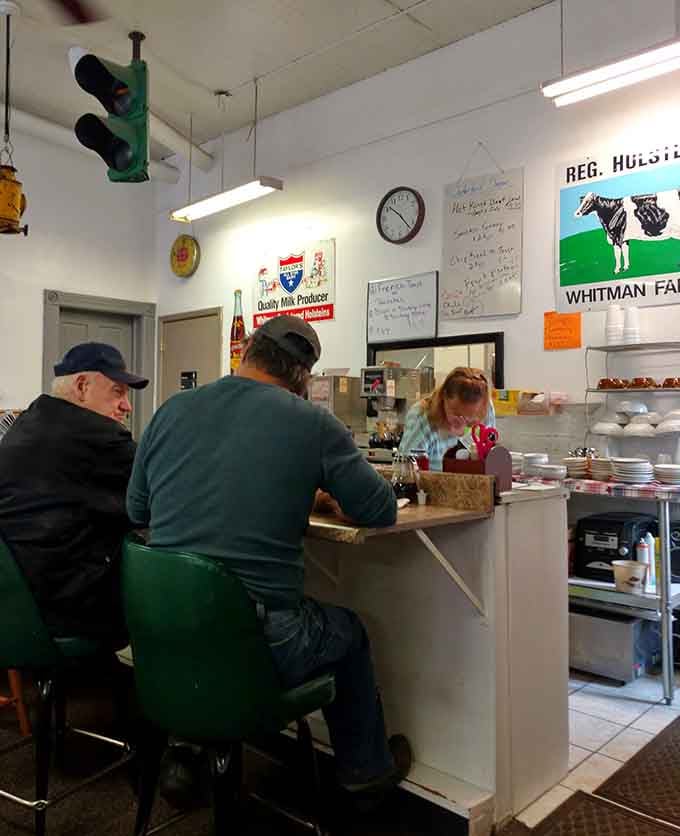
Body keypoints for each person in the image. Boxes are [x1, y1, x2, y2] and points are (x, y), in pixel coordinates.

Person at [127, 315, 411, 800]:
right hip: (259, 641)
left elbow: (137, 510)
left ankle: (189, 750)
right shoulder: (312, 422)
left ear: (246, 353)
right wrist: (320, 495)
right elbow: (379, 509)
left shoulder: (170, 410)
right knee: (349, 631)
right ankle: (366, 774)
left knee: (207, 622)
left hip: (160, 629)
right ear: (303, 378)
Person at [0, 342, 148, 643]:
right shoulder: (99, 438)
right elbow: (163, 494)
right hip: (65, 611)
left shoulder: (28, 422)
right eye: (117, 392)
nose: (127, 406)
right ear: (82, 386)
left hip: (15, 605)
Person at [399, 366, 495, 471]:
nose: (462, 423)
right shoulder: (422, 418)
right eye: (456, 414)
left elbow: (488, 453)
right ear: (443, 396)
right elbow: (406, 468)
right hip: (432, 480)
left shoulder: (486, 408)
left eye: (471, 420)